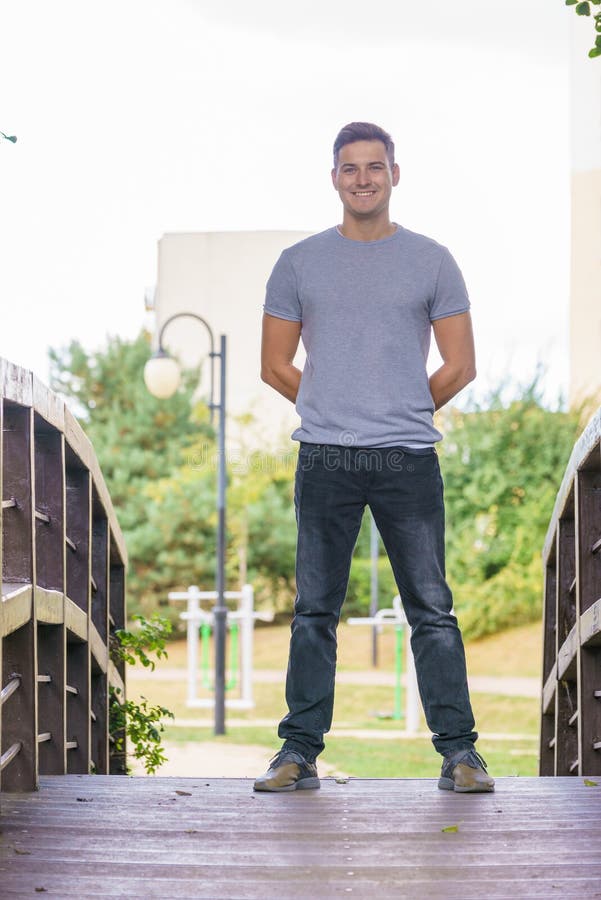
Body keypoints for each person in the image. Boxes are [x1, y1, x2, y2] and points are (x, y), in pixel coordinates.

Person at [255, 122, 494, 794]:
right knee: (312, 613)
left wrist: (400, 408)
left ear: (394, 174)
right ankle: (296, 754)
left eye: (374, 167)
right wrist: (337, 405)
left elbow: (461, 364)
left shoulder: (431, 259)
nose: (362, 178)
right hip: (325, 458)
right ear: (333, 177)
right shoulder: (299, 262)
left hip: (407, 459)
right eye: (350, 168)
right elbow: (275, 365)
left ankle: (460, 755)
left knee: (431, 610)